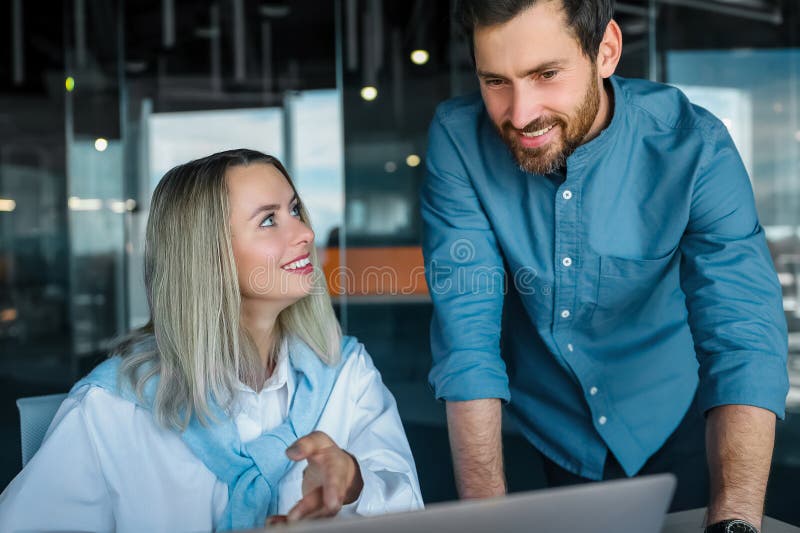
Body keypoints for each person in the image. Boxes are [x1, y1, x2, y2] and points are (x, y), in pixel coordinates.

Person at [420, 2, 788, 532]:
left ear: (606, 51)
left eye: (546, 74)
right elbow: (467, 339)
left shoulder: (696, 147)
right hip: (538, 431)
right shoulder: (459, 141)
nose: (521, 114)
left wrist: (735, 522)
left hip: (675, 418)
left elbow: (744, 337)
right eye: (496, 81)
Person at [0, 149, 423, 532]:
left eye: (295, 209)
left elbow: (412, 513)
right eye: (269, 219)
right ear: (209, 255)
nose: (307, 233)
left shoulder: (346, 372)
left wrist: (353, 480)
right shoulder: (111, 410)